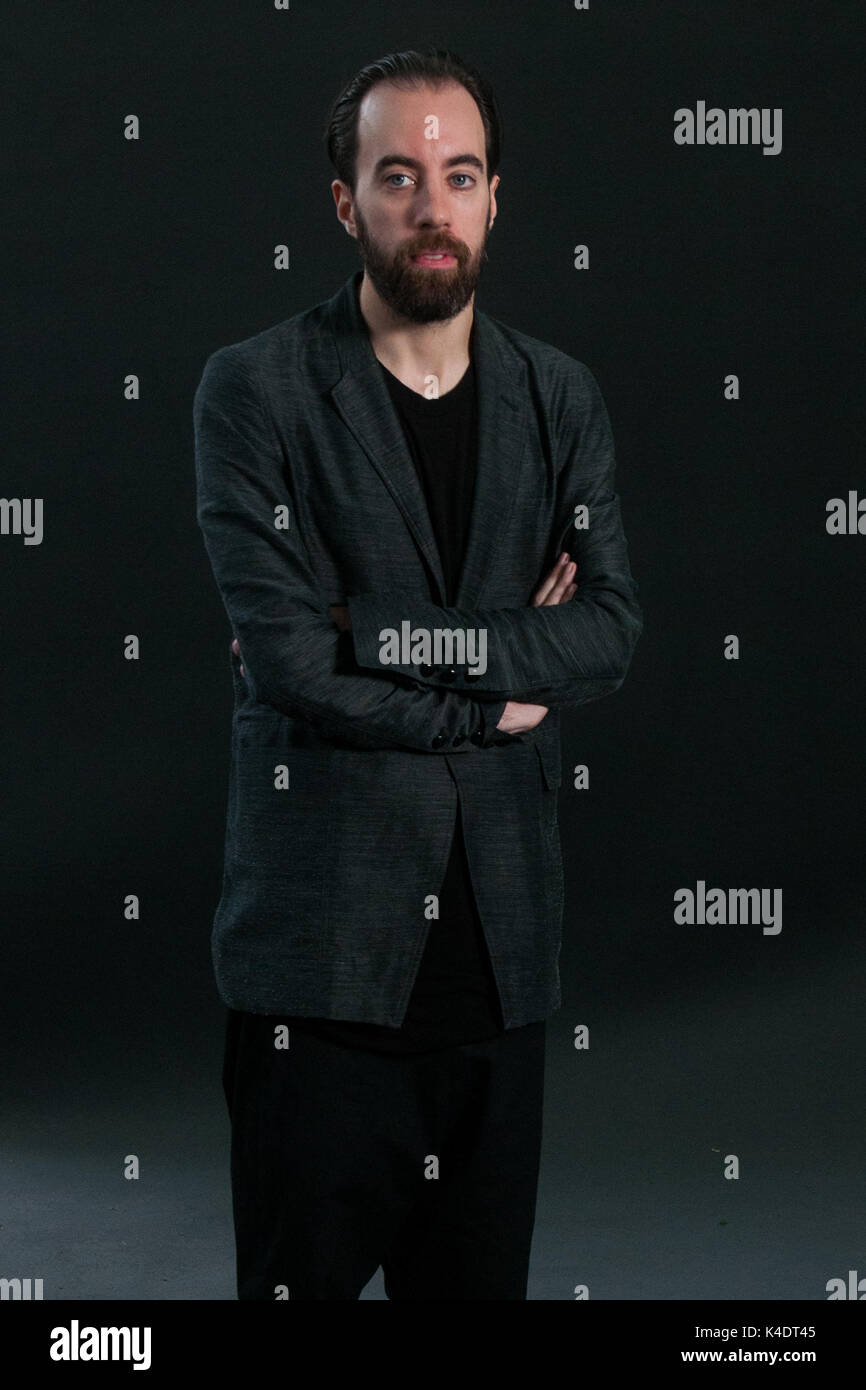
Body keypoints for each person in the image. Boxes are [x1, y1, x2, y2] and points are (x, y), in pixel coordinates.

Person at [194, 47, 643, 1300]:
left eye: (458, 175)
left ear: (495, 196)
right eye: (398, 177)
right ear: (346, 202)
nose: (430, 207)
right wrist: (500, 679)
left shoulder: (559, 397)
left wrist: (375, 627)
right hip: (320, 983)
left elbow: (605, 631)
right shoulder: (256, 392)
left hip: (499, 972)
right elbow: (286, 662)